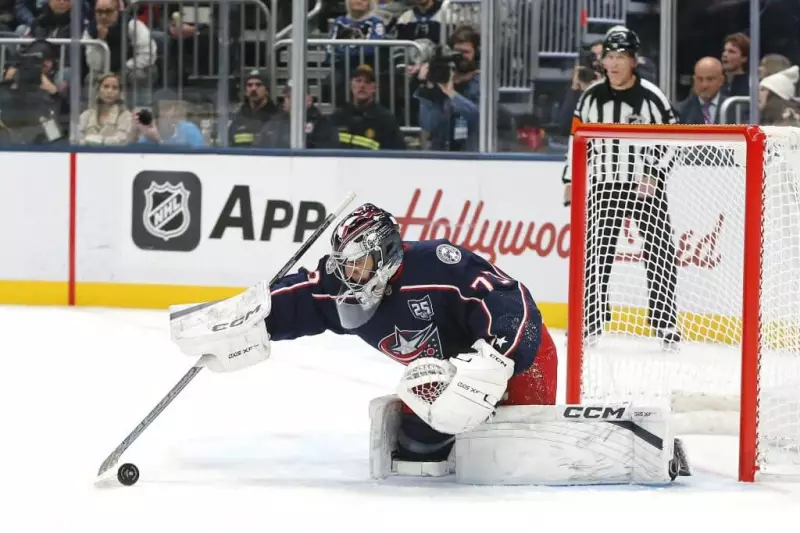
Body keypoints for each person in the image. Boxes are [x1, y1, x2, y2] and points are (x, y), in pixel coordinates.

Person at [173, 203, 558, 472]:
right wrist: (247, 319)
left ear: (385, 252)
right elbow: (299, 298)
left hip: (518, 360)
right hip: (443, 381)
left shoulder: (439, 264)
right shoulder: (345, 288)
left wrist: (494, 361)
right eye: (344, 264)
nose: (348, 274)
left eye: (357, 263)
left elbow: (510, 298)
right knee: (417, 453)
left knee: (517, 455)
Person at [562, 27, 682, 350]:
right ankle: (589, 321)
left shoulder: (652, 97)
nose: (612, 65)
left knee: (661, 253)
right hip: (604, 185)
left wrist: (655, 174)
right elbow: (577, 141)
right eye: (608, 57)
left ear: (634, 60)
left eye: (619, 58)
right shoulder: (591, 97)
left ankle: (665, 323)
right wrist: (571, 179)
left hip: (646, 187)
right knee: (595, 255)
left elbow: (673, 140)